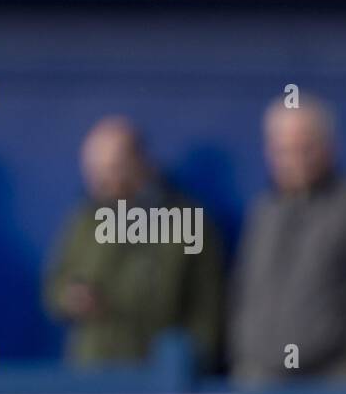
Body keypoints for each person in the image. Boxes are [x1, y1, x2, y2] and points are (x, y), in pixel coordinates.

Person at [229, 96, 346, 383]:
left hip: (333, 381)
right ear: (269, 152)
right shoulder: (263, 210)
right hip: (258, 378)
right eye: (285, 151)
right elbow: (245, 287)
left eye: (306, 149)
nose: (296, 161)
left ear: (329, 148)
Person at [44, 116, 224, 370]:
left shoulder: (186, 221)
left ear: (138, 163)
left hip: (159, 376)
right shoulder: (84, 220)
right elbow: (55, 285)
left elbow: (207, 306)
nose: (101, 183)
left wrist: (190, 362)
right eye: (93, 172)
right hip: (93, 369)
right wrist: (70, 298)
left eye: (111, 169)